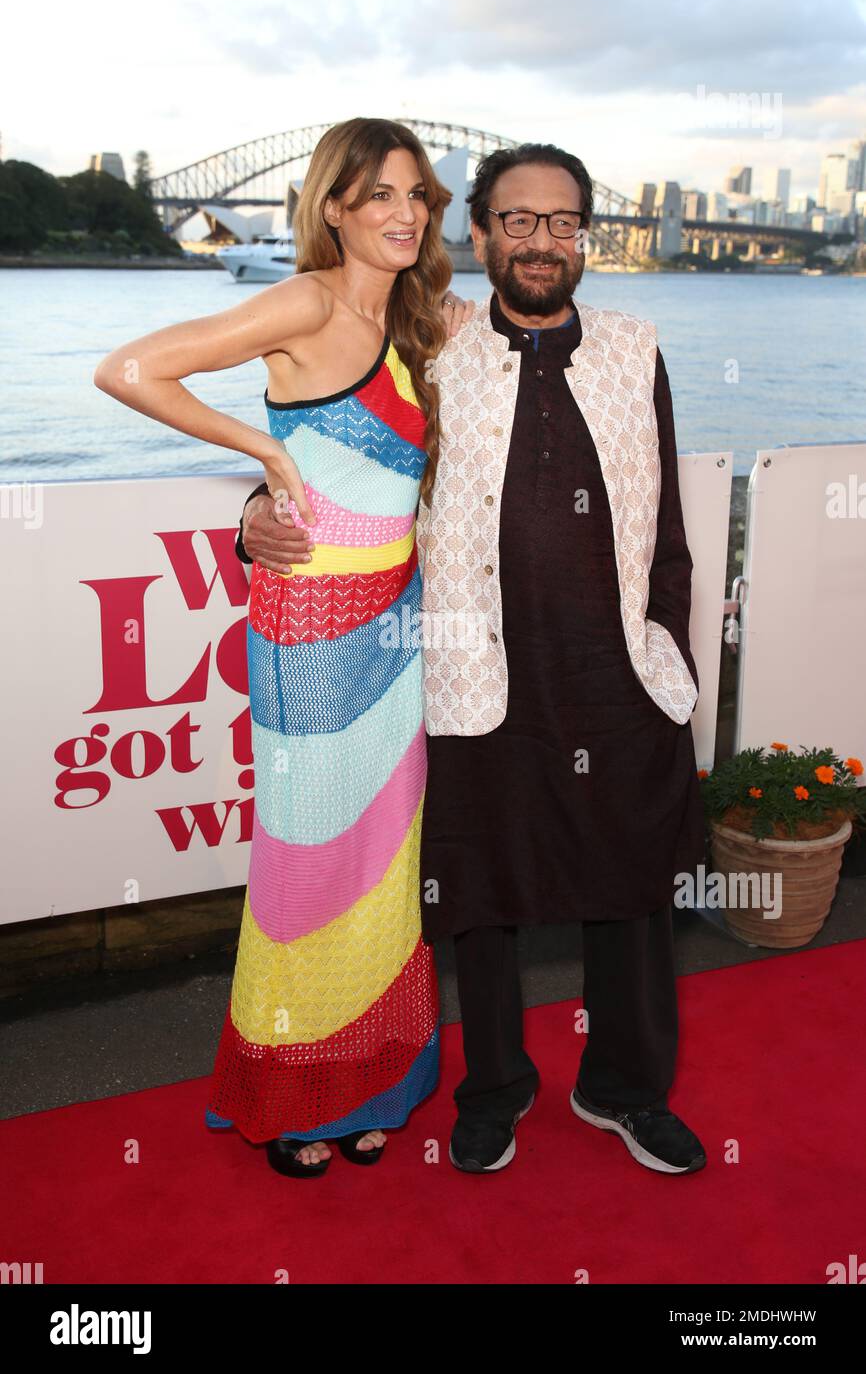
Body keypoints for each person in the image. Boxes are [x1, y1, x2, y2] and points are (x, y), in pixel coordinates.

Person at [236, 142, 708, 1179]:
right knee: (480, 897)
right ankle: (491, 1090)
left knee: (629, 890)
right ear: (482, 233)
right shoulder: (427, 338)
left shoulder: (634, 346)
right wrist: (253, 513)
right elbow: (335, 454)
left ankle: (622, 1086)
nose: (540, 241)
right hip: (469, 672)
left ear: (584, 234)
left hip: (615, 673)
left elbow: (667, 522)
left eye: (561, 221)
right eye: (516, 220)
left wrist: (668, 655)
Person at [94, 117, 472, 1179]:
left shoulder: (420, 317)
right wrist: (261, 452)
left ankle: (369, 1082)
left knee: (384, 864)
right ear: (334, 207)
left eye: (420, 198)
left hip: (397, 623)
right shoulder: (302, 302)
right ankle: (290, 1092)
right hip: (308, 625)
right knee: (306, 866)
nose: (404, 214)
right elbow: (129, 369)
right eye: (381, 195)